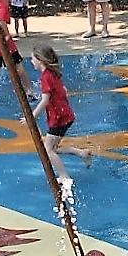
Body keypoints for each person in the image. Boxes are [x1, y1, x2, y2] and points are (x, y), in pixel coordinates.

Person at [29, 44, 92, 184]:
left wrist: (32, 116)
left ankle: (64, 175)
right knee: (54, 147)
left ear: (41, 60)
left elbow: (45, 100)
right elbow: (63, 89)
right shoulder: (52, 74)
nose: (31, 61)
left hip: (59, 118)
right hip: (64, 115)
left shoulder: (45, 77)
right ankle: (82, 153)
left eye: (33, 59)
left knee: (49, 150)